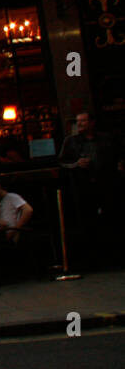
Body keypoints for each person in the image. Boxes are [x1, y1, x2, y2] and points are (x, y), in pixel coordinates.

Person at [59, 112, 119, 271]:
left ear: (92, 122)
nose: (80, 124)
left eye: (83, 121)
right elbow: (62, 163)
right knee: (87, 222)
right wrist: (76, 164)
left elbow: (116, 157)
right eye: (78, 121)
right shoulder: (71, 141)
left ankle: (115, 256)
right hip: (83, 187)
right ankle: (93, 260)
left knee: (112, 219)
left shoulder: (106, 139)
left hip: (106, 184)